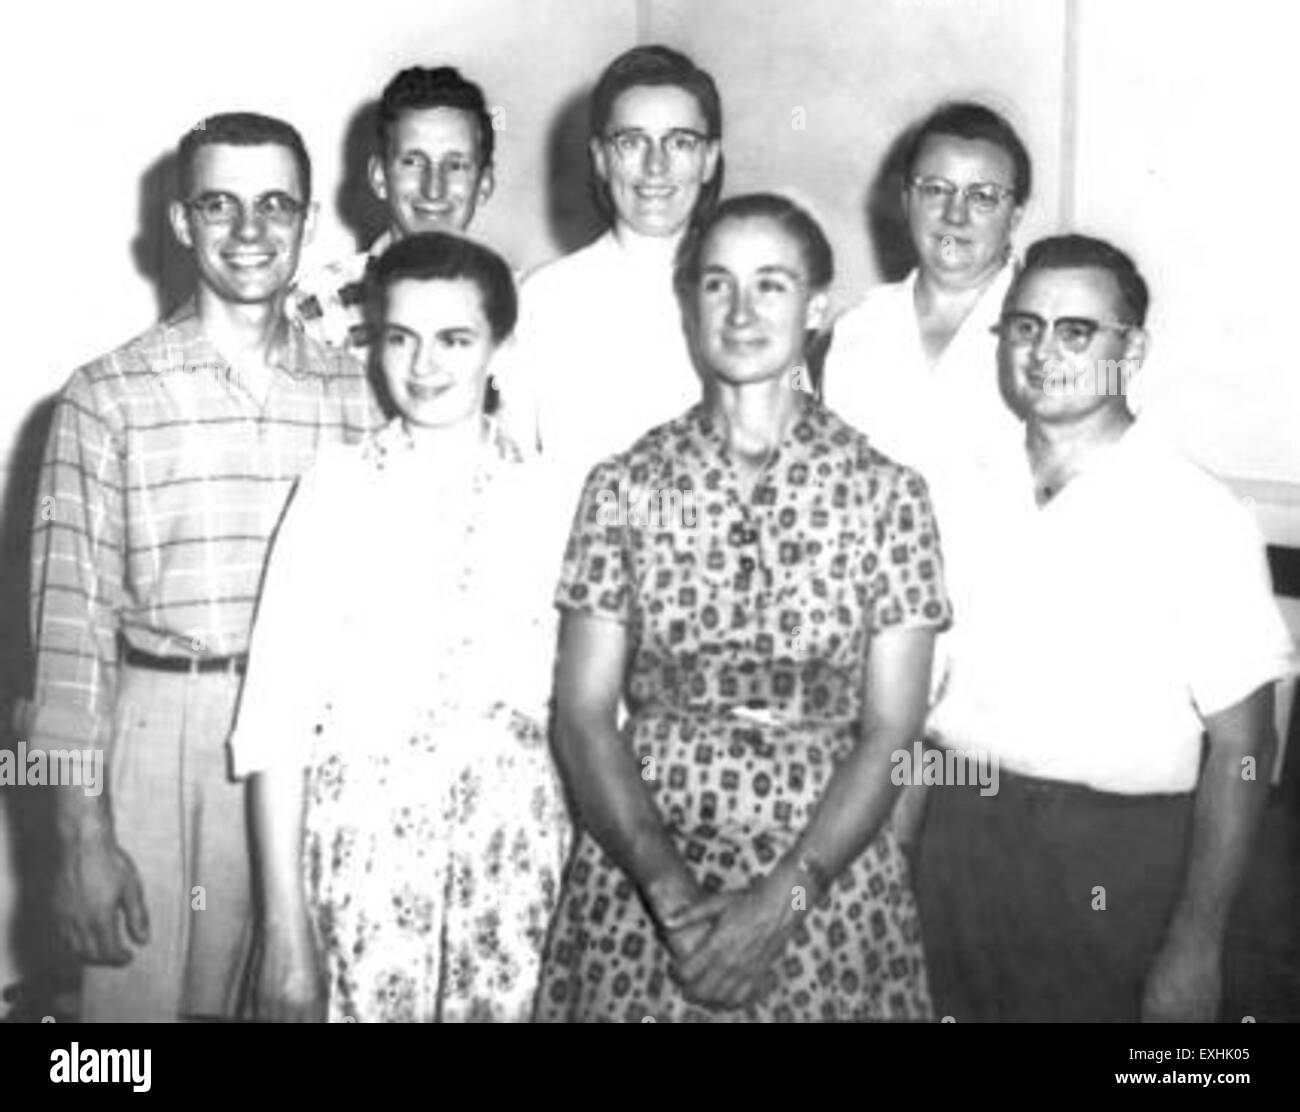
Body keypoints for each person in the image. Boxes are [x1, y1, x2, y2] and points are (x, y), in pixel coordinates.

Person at [534, 194, 952, 1023]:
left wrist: (780, 906)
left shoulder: (888, 496)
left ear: (817, 306)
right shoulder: (627, 485)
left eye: (771, 285)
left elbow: (893, 733)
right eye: (717, 284)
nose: (741, 310)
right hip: (645, 868)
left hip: (822, 878)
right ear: (689, 305)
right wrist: (669, 895)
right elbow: (582, 716)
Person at [25, 112, 381, 1022]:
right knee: (131, 1038)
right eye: (220, 205)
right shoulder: (106, 397)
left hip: (319, 747)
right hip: (167, 735)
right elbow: (66, 644)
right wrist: (79, 839)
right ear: (181, 223)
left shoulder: (358, 393)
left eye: (276, 205)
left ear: (306, 225)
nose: (250, 230)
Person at [916, 234, 1299, 1022]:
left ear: (1134, 350)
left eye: (1076, 331)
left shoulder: (1196, 512)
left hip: (1113, 864)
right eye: (1025, 326)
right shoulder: (954, 490)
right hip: (958, 839)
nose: (1044, 350)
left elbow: (1246, 746)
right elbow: (920, 707)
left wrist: (1197, 941)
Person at [232, 232, 571, 1023]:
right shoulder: (335, 489)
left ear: (502, 347)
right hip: (364, 865)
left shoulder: (554, 495)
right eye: (401, 338)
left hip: (516, 863)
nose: (425, 366)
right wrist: (285, 931)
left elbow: (589, 715)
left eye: (455, 338)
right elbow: (276, 723)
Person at [496, 45, 723, 482]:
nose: (655, 166)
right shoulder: (544, 299)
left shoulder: (748, 296)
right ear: (600, 157)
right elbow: (513, 465)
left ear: (709, 159)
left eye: (680, 142)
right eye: (632, 141)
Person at [288, 66, 498, 354]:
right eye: (413, 161)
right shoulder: (315, 307)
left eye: (455, 165)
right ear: (380, 177)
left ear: (484, 184)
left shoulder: (524, 307)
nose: (433, 189)